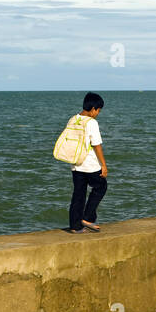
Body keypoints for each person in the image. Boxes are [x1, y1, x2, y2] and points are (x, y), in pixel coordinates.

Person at [67, 92, 107, 233]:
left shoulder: (73, 119)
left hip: (76, 164)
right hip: (90, 165)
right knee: (101, 187)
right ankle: (88, 218)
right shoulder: (91, 122)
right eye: (98, 110)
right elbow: (97, 145)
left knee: (78, 194)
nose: (97, 113)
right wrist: (103, 165)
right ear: (94, 108)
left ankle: (75, 226)